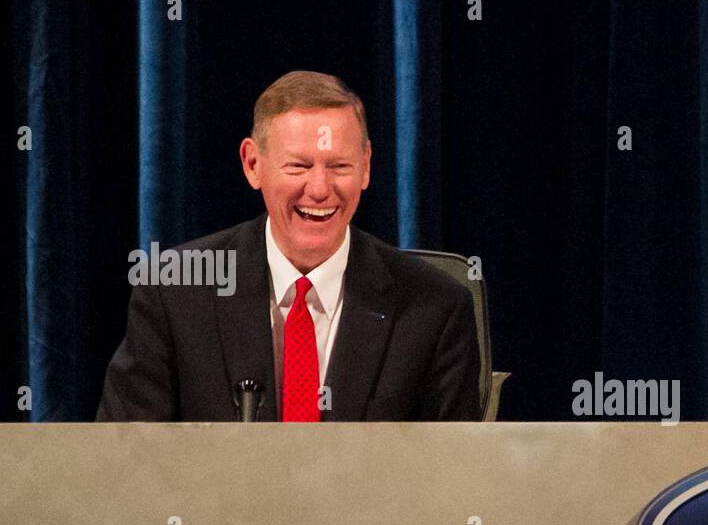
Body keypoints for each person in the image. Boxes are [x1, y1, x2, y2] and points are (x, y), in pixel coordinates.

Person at [97, 70, 479, 421]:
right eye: (298, 166)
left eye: (339, 166)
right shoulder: (174, 291)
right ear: (252, 164)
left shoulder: (435, 307)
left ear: (365, 166)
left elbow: (453, 476)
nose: (318, 189)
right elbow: (127, 465)